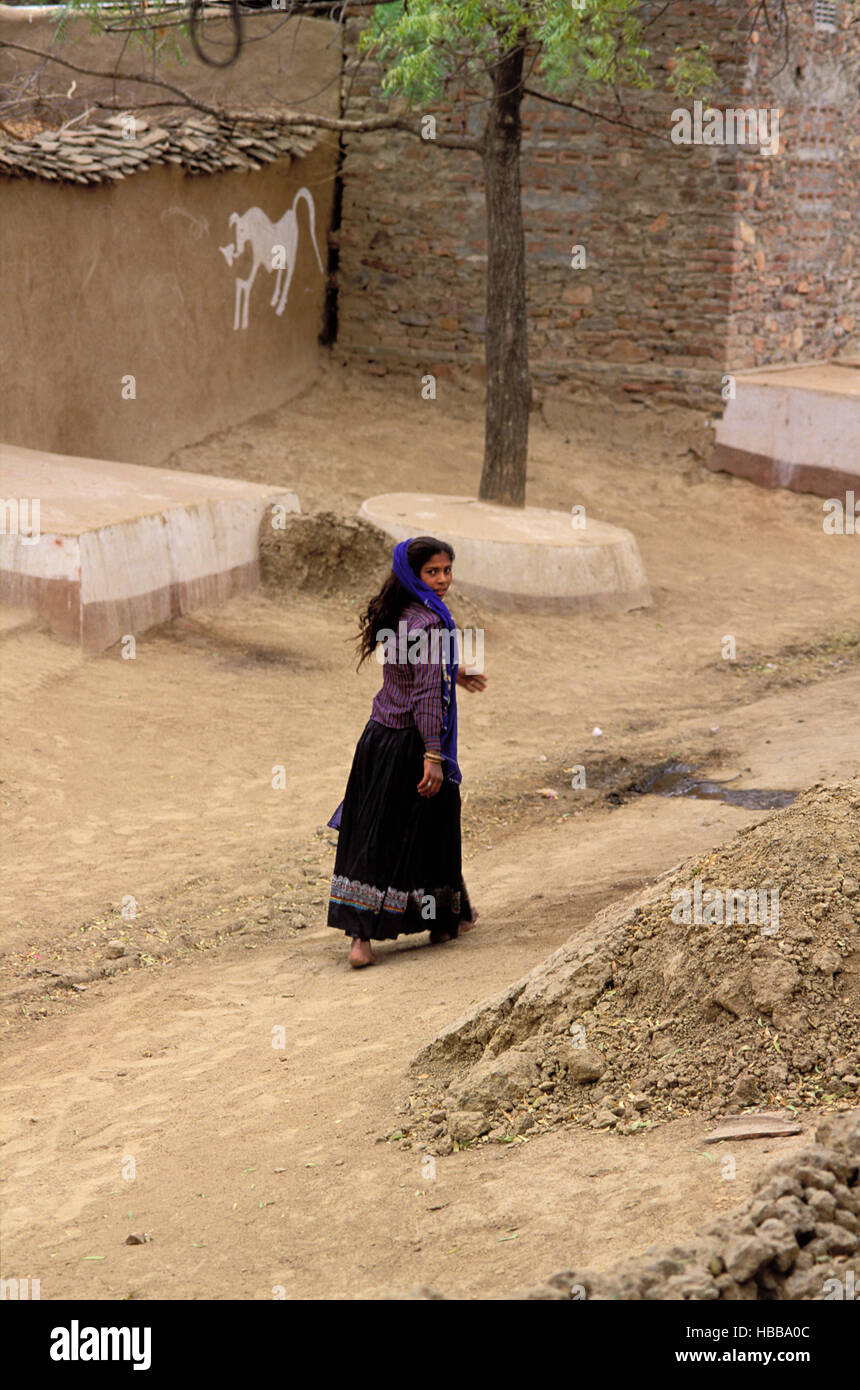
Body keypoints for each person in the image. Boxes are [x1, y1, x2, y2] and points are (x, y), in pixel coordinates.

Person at [326, 536, 487, 968]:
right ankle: (404, 931)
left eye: (447, 570)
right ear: (413, 574)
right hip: (412, 743)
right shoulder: (432, 623)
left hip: (378, 738)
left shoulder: (401, 611)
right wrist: (433, 756)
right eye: (432, 572)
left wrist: (454, 673)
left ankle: (444, 920)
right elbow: (425, 696)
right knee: (413, 832)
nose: (442, 580)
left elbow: (411, 669)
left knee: (383, 833)